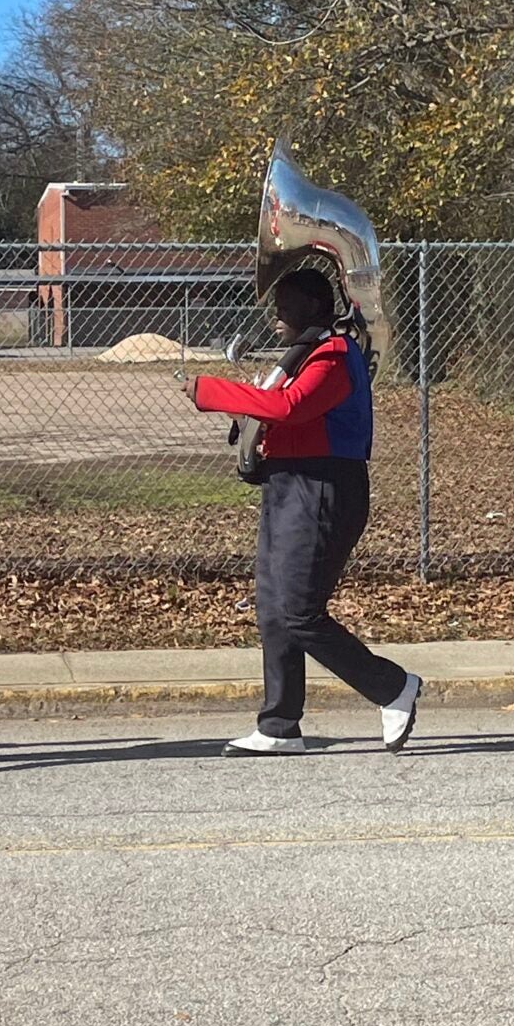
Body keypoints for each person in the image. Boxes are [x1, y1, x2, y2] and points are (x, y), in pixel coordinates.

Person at [182, 267, 419, 756]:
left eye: (284, 309)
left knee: (299, 612)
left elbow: (289, 408)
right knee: (273, 608)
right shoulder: (304, 355)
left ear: (313, 309)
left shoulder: (333, 355)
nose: (275, 320)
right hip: (288, 483)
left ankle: (392, 687)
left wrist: (211, 391)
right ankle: (279, 724)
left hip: (324, 487)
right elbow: (278, 411)